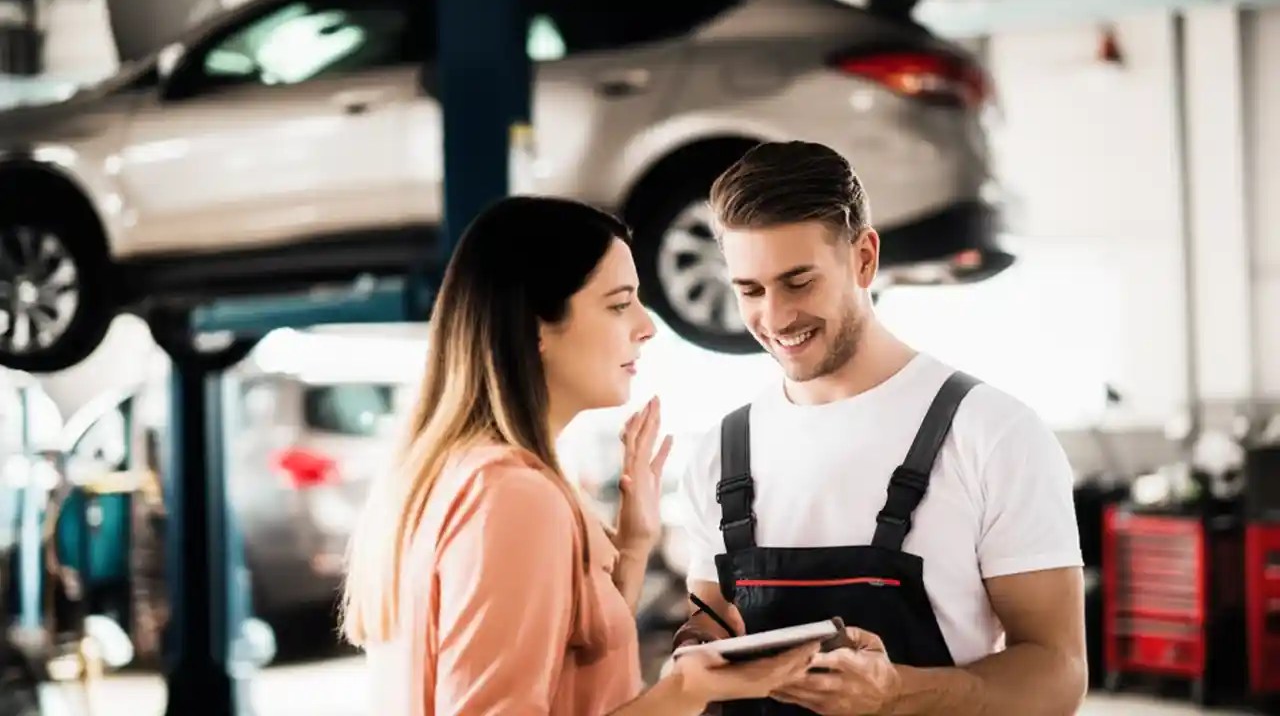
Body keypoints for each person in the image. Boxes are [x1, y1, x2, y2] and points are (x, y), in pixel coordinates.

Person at [339, 196, 819, 716]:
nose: (647, 325)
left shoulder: (456, 474)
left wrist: (633, 546)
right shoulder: (512, 496)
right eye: (618, 304)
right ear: (536, 326)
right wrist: (685, 694)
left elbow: (573, 665)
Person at [672, 142, 1088, 715]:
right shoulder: (721, 454)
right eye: (750, 290)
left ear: (864, 257)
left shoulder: (993, 433)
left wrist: (898, 694)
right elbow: (712, 621)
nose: (775, 317)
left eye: (799, 281)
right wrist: (692, 649)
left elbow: (1058, 673)